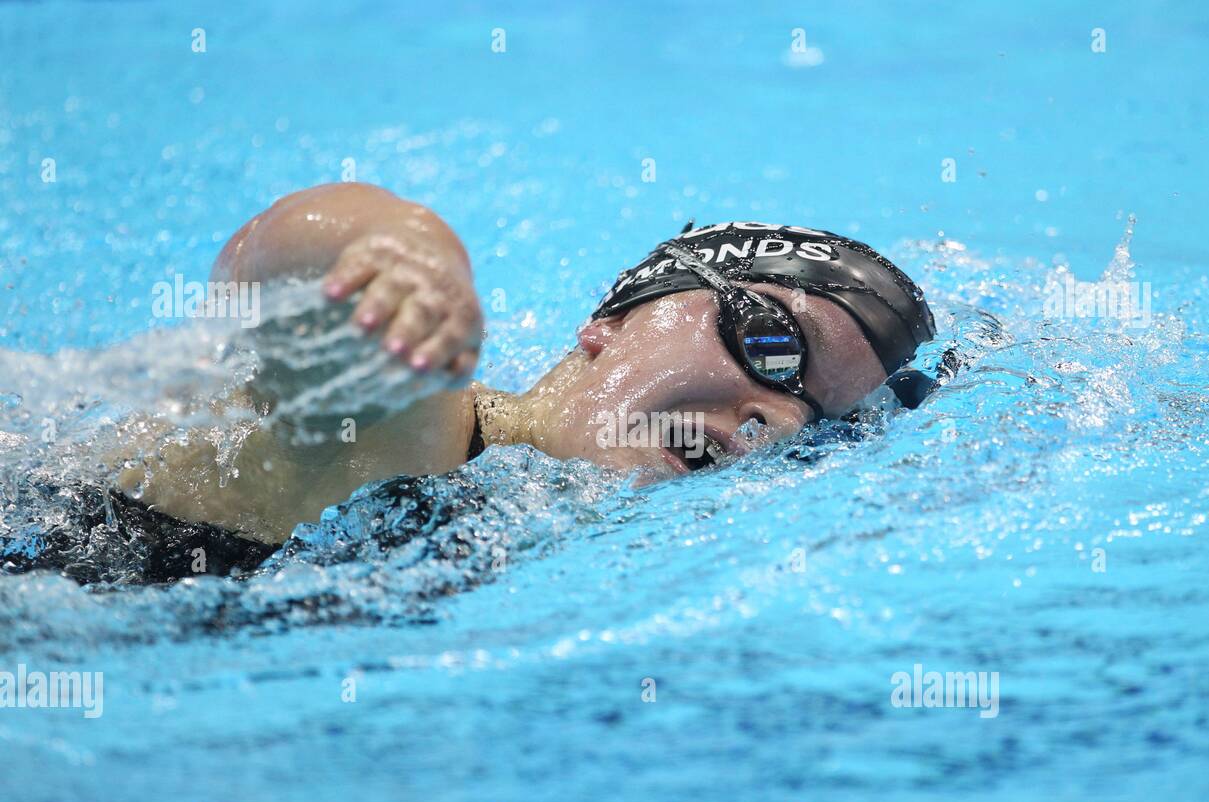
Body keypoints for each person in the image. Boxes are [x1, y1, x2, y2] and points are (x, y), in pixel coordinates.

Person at [3, 183, 941, 584]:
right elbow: (271, 256)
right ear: (609, 323)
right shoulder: (409, 414)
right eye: (774, 347)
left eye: (816, 424)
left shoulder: (541, 525)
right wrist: (410, 265)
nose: (772, 419)